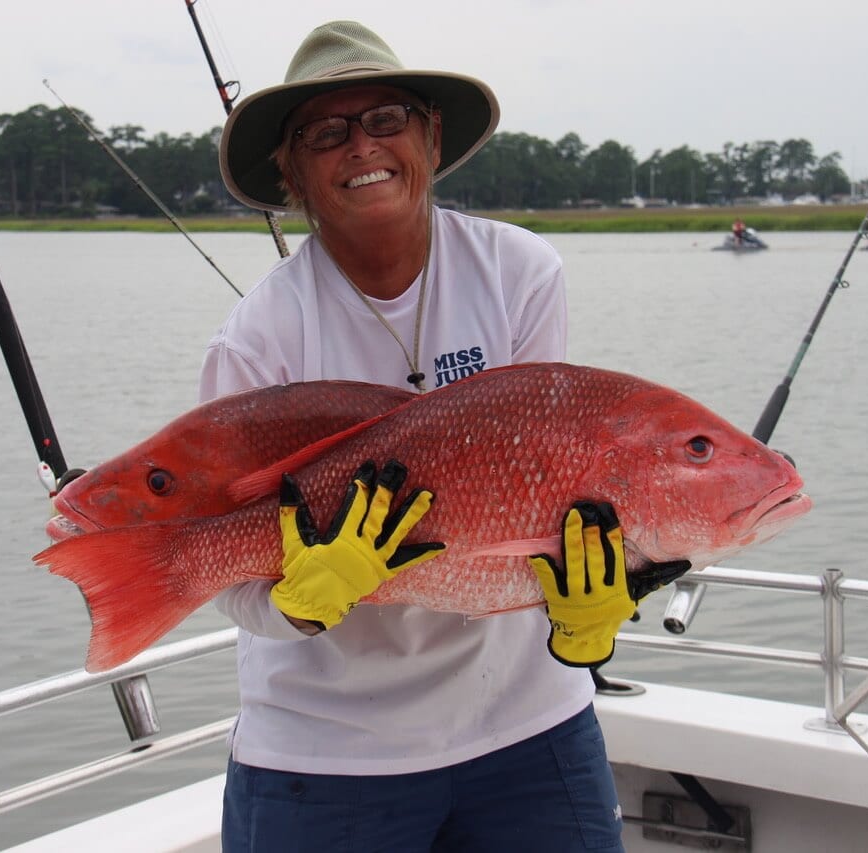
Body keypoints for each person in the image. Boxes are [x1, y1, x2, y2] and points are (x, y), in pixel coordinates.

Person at [203, 20, 683, 852]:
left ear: (429, 135)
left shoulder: (521, 272)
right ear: (295, 173)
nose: (363, 147)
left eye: (387, 119)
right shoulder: (257, 339)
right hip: (327, 756)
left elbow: (551, 483)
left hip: (532, 728)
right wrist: (297, 601)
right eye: (327, 132)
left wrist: (590, 608)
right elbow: (219, 564)